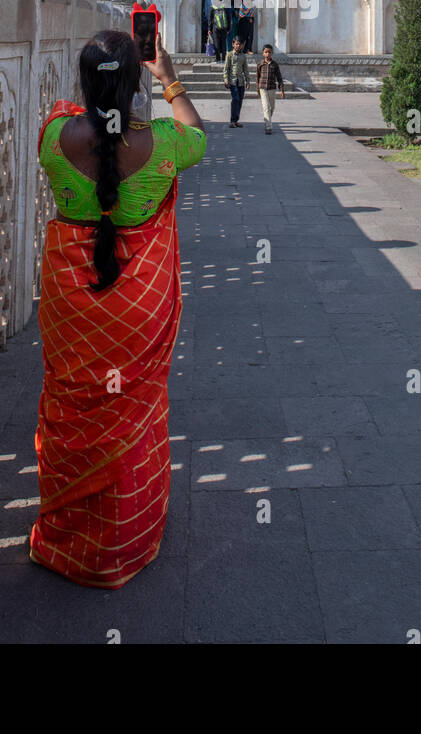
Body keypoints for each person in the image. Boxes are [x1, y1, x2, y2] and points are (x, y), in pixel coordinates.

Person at [30, 29, 205, 588]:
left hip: (71, 299)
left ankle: (66, 537)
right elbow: (198, 136)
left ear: (84, 82)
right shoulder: (164, 142)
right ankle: (123, 535)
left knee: (70, 400)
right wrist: (168, 78)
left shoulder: (55, 137)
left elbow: (67, 115)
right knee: (135, 409)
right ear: (136, 85)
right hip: (138, 304)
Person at [256, 44, 285, 134]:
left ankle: (267, 119)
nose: (268, 54)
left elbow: (279, 77)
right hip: (263, 88)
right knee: (266, 107)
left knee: (272, 107)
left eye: (269, 52)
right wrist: (258, 89)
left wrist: (281, 90)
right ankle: (268, 126)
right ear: (263, 53)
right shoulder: (260, 64)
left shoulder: (275, 65)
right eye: (266, 52)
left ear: (272, 53)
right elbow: (257, 77)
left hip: (272, 88)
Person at [223, 36, 248, 127]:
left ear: (242, 45)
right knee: (235, 99)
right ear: (233, 44)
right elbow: (226, 68)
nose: (238, 46)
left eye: (240, 44)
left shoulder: (243, 56)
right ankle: (232, 121)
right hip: (232, 81)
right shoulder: (229, 55)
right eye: (236, 44)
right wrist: (226, 80)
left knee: (240, 100)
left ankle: (236, 120)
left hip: (241, 81)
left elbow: (245, 69)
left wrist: (248, 81)